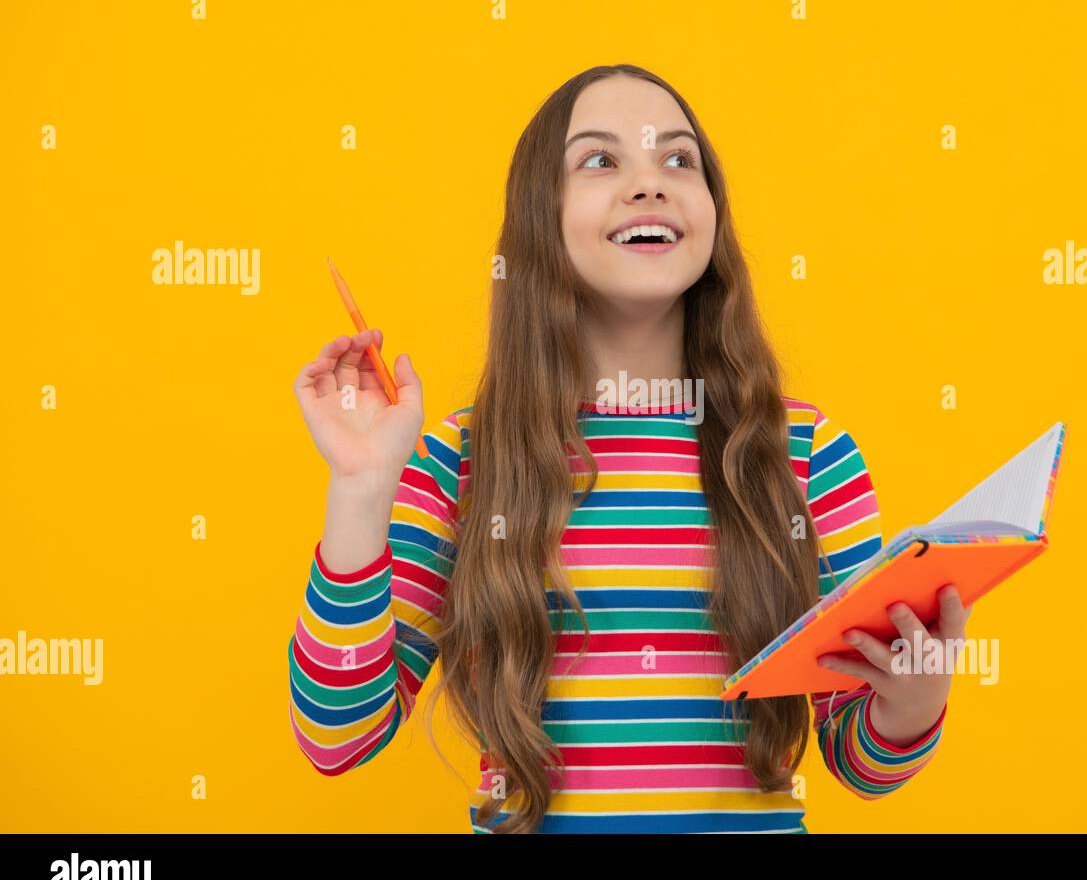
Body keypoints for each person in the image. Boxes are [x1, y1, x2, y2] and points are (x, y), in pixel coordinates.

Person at [289, 63, 965, 833]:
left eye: (679, 159)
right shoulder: (461, 459)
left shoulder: (807, 451)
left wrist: (915, 698)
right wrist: (361, 486)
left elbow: (860, 761)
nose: (651, 183)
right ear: (539, 217)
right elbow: (336, 737)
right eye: (601, 160)